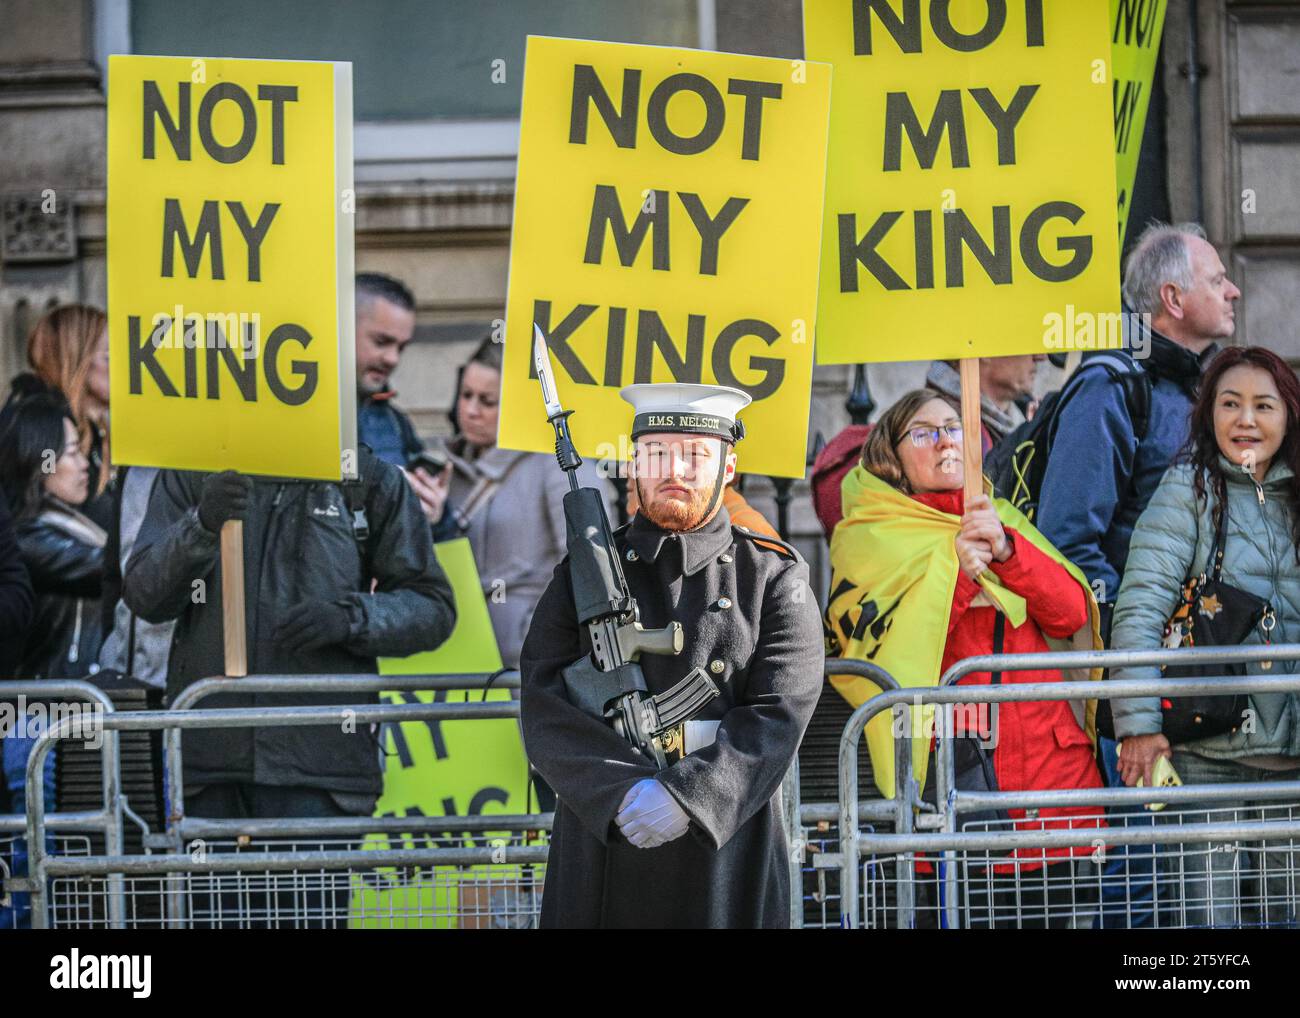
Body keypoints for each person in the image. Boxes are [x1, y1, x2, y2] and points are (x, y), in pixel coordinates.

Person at [520, 382, 824, 928]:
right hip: (607, 844)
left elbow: (781, 711)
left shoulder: (774, 578)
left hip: (725, 848)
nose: (674, 470)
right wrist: (616, 791)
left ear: (728, 468)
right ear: (633, 462)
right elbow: (544, 699)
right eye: (656, 452)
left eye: (694, 455)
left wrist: (690, 796)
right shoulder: (583, 575)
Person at [122, 445, 456, 925]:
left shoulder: (366, 477)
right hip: (210, 771)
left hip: (320, 774)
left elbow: (433, 607)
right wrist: (201, 525)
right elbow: (146, 595)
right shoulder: (193, 471)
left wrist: (352, 619)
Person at [826, 389, 1104, 927]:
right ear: (891, 455)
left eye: (954, 428)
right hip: (946, 792)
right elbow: (875, 648)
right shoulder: (867, 537)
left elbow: (1072, 615)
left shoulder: (999, 518)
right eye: (925, 433)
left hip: (1051, 793)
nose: (946, 441)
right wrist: (952, 574)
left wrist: (1007, 554)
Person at [1111, 346, 1300, 928]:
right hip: (1205, 755)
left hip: (1293, 761)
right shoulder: (1185, 492)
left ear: (1288, 415)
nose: (1246, 420)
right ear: (1208, 414)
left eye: (1263, 405)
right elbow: (1139, 611)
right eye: (1230, 404)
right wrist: (1139, 726)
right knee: (1208, 929)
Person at [438, 335, 611, 669]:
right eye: (466, 395)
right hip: (459, 659)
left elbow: (591, 566)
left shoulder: (557, 466)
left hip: (529, 665)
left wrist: (540, 634)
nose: (471, 411)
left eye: (487, 401)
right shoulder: (444, 471)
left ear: (516, 405)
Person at [0, 385, 105, 929]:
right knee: (34, 862)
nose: (83, 462)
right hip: (33, 723)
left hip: (73, 722)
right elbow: (117, 570)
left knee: (71, 863)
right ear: (34, 459)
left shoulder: (77, 523)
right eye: (67, 451)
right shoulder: (31, 533)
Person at [354, 272, 451, 526]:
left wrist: (435, 517)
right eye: (381, 342)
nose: (392, 359)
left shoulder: (395, 423)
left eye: (401, 347)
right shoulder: (298, 414)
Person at [22, 304, 113, 529]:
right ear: (77, 360)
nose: (125, 367)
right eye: (109, 357)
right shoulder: (43, 432)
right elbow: (41, 496)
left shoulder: (96, 431)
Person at [925, 355, 1043, 455]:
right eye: (1027, 345)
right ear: (985, 351)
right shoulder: (940, 427)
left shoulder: (1029, 418)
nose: (1041, 357)